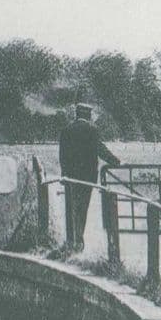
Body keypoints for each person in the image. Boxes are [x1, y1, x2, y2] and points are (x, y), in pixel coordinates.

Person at [59, 103, 120, 249]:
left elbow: (62, 155)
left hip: (70, 176)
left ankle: (71, 241)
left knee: (71, 208)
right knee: (82, 208)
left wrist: (64, 173)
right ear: (87, 114)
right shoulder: (92, 130)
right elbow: (100, 149)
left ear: (77, 114)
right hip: (87, 177)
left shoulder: (67, 130)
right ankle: (79, 241)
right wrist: (115, 161)